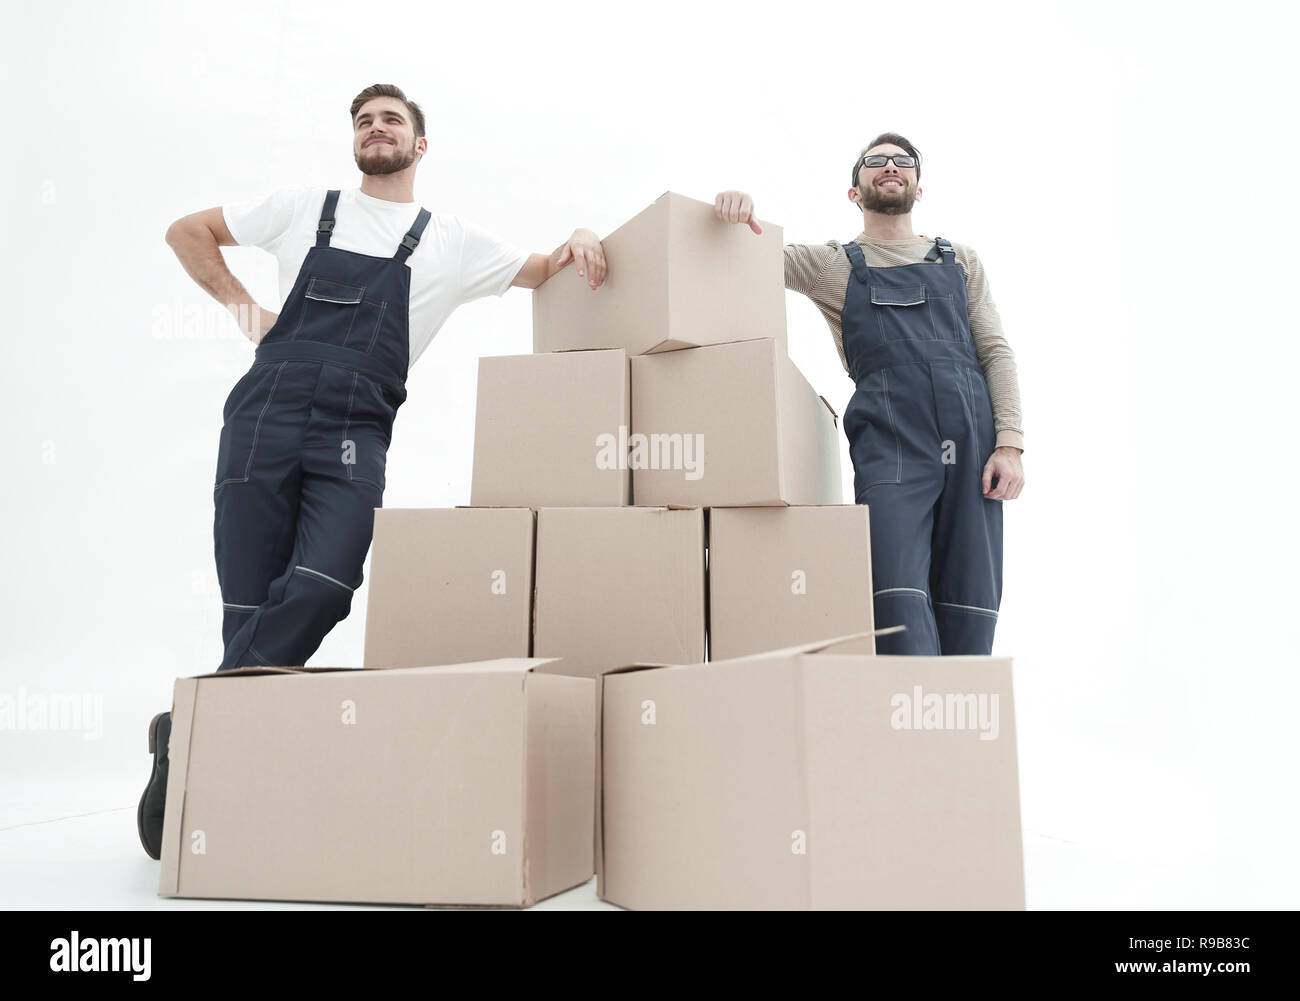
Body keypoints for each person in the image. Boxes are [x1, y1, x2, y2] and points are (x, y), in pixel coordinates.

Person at [137, 83, 607, 860]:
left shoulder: (451, 240)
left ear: (420, 146)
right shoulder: (302, 207)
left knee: (325, 582)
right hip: (265, 410)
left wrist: (583, 231)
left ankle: (189, 725)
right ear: (354, 142)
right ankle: (222, 809)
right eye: (364, 120)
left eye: (391, 119)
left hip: (356, 427)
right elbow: (186, 231)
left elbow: (549, 268)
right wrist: (246, 310)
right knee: (249, 603)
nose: (375, 127)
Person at [714, 132, 1024, 657]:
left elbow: (994, 350)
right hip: (891, 441)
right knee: (894, 592)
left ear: (918, 189)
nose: (890, 166)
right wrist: (730, 213)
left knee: (969, 599)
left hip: (972, 444)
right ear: (855, 191)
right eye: (875, 161)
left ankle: (957, 731)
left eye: (904, 162)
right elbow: (743, 257)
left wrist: (1010, 443)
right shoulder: (833, 264)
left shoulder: (961, 262)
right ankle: (903, 719)